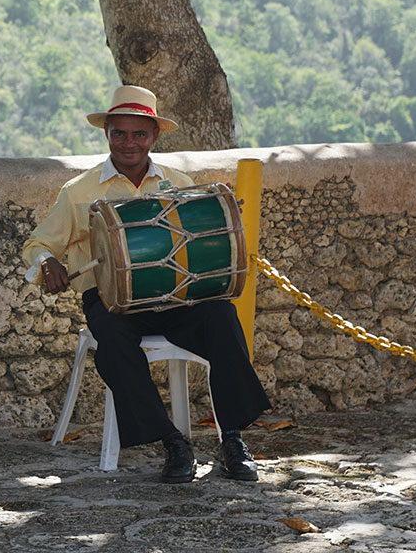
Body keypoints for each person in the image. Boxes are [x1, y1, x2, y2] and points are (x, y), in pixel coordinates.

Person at [22, 85, 270, 483]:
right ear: (107, 134)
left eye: (139, 134)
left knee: (222, 317)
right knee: (112, 343)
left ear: (154, 137)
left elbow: (202, 241)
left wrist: (221, 218)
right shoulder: (78, 191)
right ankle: (171, 442)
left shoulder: (178, 182)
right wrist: (47, 261)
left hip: (174, 300)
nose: (128, 142)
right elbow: (36, 244)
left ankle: (234, 439)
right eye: (119, 133)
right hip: (112, 304)